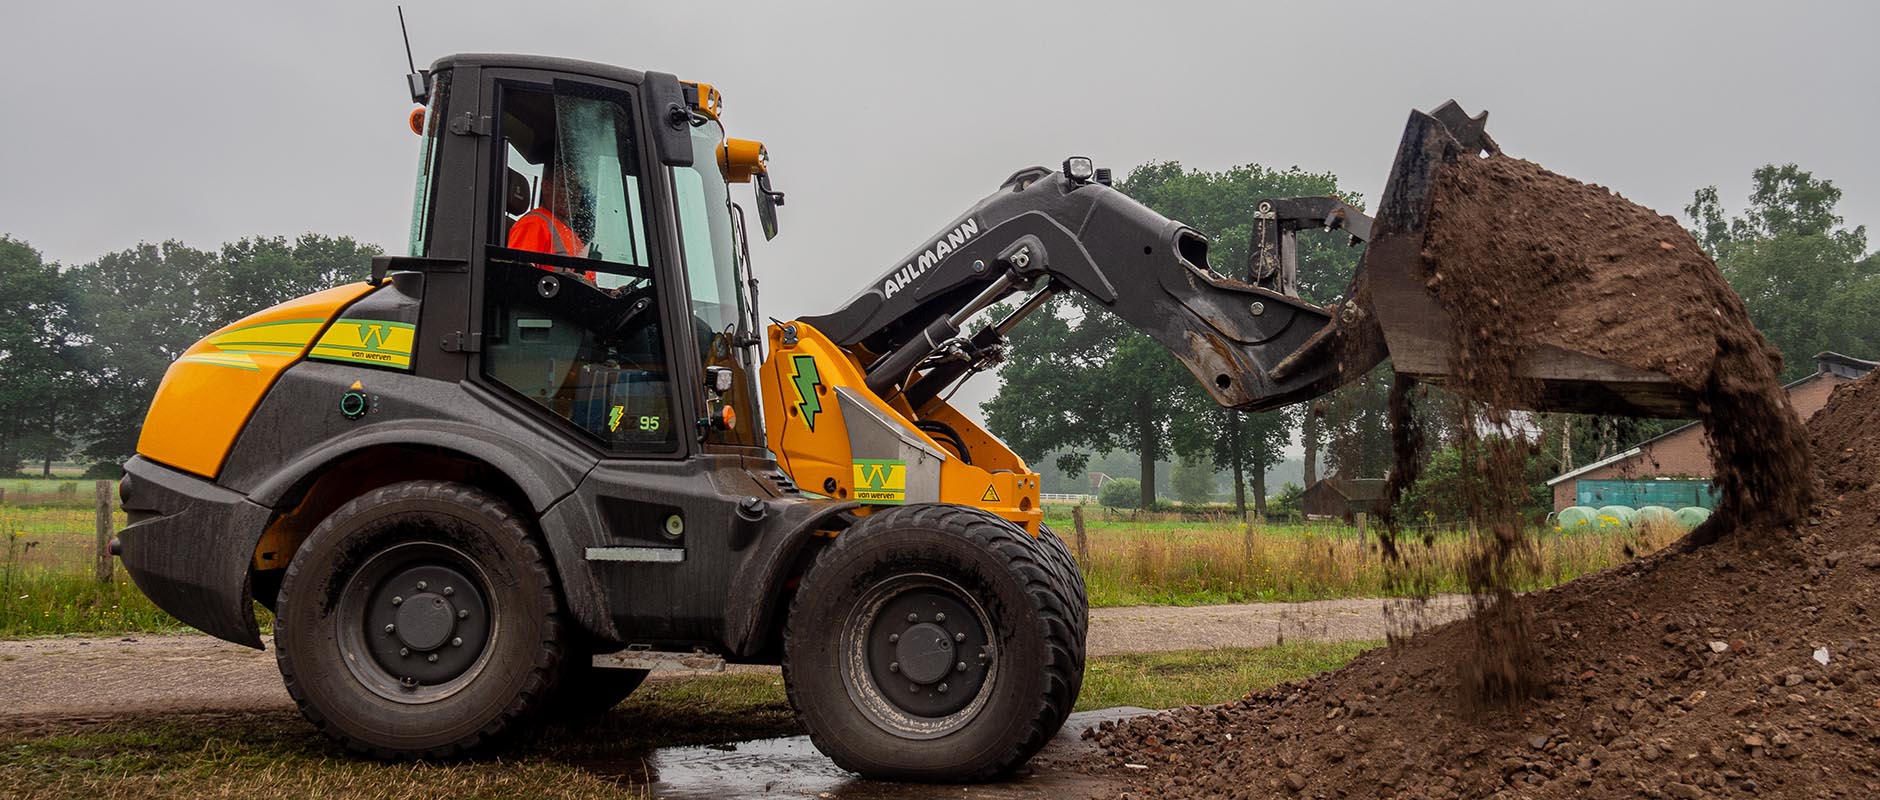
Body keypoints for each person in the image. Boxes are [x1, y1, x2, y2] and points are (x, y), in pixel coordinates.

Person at [508, 160, 597, 281]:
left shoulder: (573, 237)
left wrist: (612, 294)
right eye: (567, 185)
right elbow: (519, 280)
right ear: (546, 188)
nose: (575, 194)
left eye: (579, 188)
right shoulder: (534, 224)